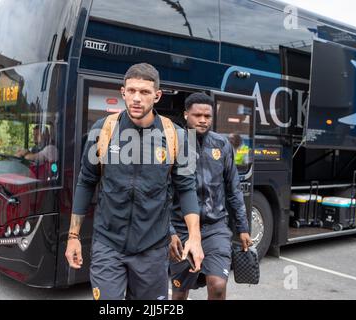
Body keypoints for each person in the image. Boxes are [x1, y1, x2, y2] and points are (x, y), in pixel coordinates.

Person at [65, 63, 204, 300]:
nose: (136, 98)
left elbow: (187, 188)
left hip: (152, 250)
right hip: (108, 244)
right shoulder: (103, 131)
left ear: (157, 96)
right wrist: (73, 237)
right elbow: (86, 182)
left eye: (144, 92)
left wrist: (194, 237)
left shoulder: (176, 137)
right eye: (131, 91)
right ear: (123, 92)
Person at [169, 92, 253, 300]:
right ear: (186, 114)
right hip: (182, 229)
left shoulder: (222, 145)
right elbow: (162, 193)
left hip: (215, 228)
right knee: (179, 293)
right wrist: (169, 231)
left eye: (207, 116)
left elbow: (233, 188)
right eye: (197, 115)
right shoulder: (174, 145)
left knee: (217, 286)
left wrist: (242, 227)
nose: (203, 120)